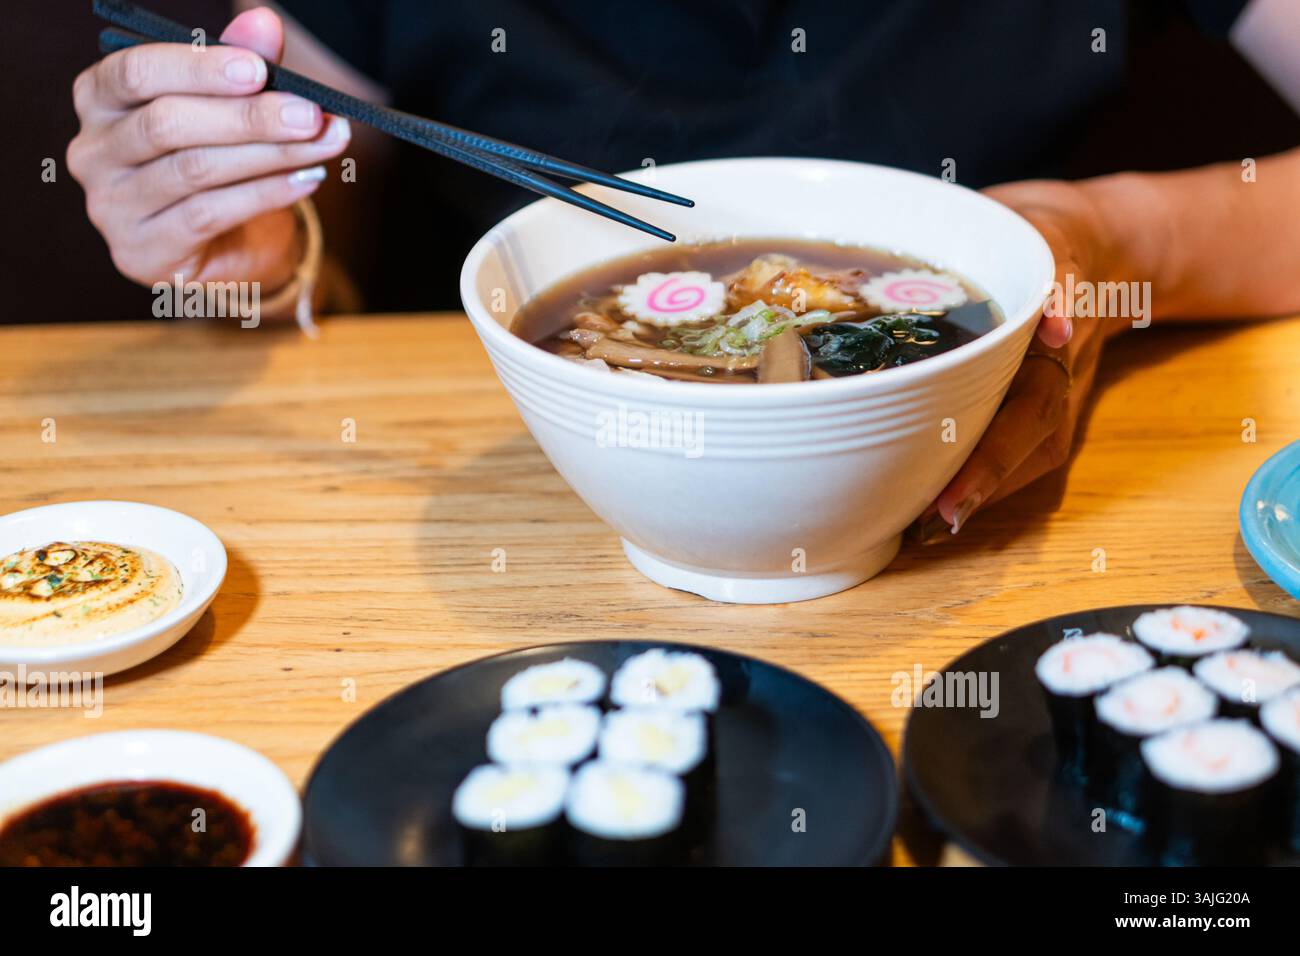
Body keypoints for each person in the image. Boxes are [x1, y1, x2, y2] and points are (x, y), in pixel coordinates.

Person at [65, 1, 1300, 540]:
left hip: (1015, 525)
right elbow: (287, 273)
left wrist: (1097, 241)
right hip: (516, 515)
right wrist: (243, 264)